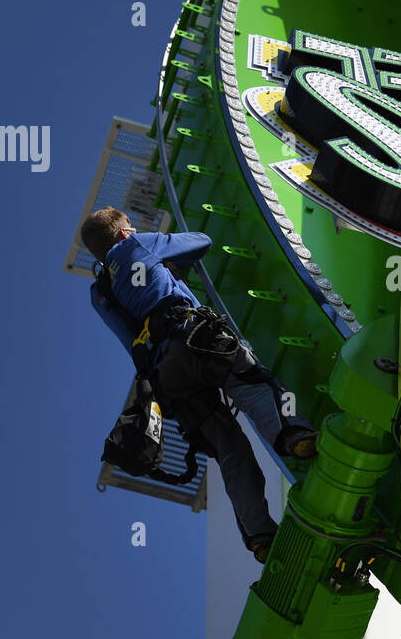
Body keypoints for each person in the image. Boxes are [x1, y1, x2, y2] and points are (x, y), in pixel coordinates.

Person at [81, 206, 315, 562]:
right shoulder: (137, 245)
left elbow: (128, 337)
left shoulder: (100, 292)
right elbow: (199, 242)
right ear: (124, 231)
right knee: (255, 386)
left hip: (166, 377)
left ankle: (260, 535)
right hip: (194, 338)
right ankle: (295, 436)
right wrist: (173, 270)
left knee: (229, 450)